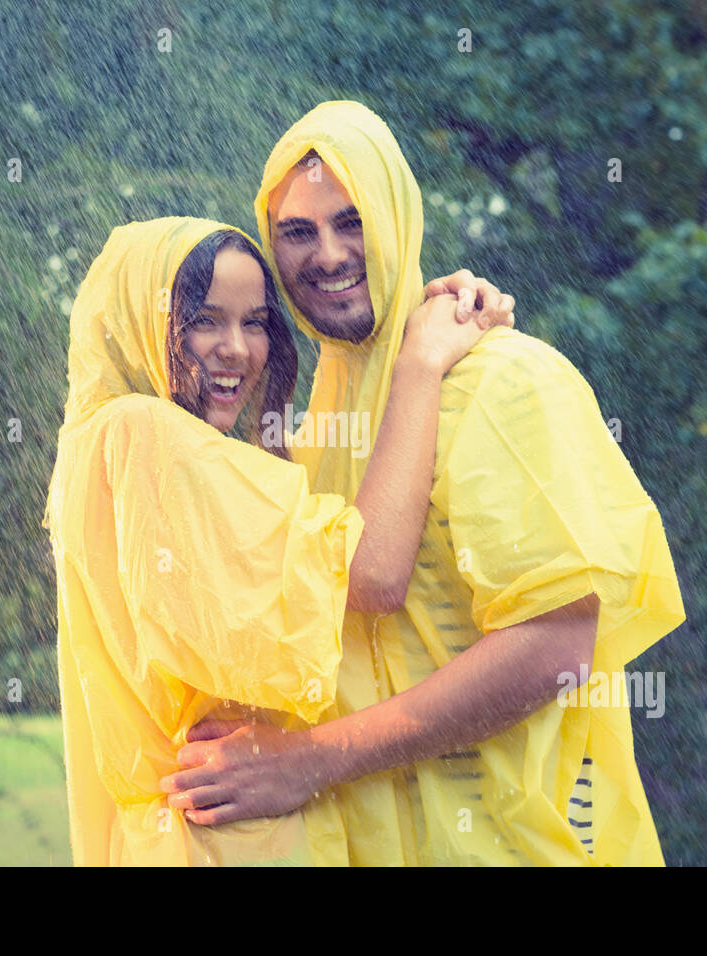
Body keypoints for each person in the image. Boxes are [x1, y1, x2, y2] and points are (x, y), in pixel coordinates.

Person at [162, 102, 687, 866]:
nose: (330, 254)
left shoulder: (504, 380)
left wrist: (310, 759)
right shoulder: (315, 424)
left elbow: (556, 643)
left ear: (399, 217)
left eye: (354, 220)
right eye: (298, 232)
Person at [42, 216, 511, 865]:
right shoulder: (143, 437)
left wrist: (405, 309)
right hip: (227, 838)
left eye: (256, 321)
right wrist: (421, 362)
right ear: (136, 319)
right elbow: (372, 573)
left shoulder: (95, 446)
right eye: (205, 320)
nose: (237, 348)